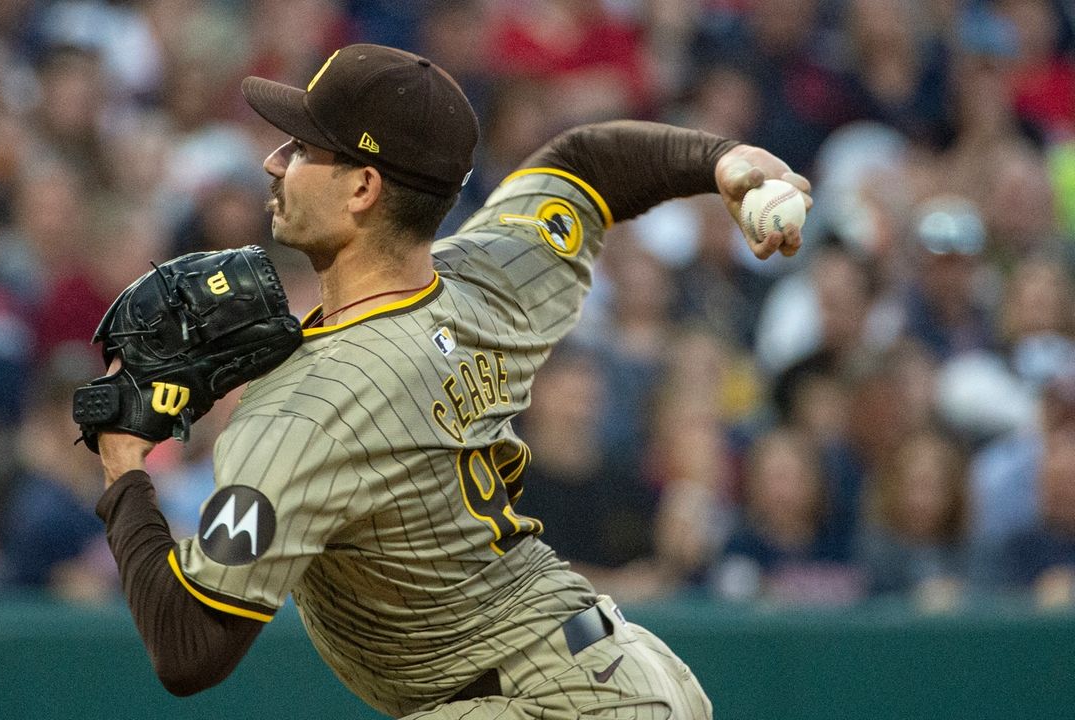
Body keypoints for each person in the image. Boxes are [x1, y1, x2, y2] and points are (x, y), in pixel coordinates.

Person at [91, 43, 807, 718]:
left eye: (304, 148)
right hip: (625, 676)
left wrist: (124, 462)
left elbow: (188, 650)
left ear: (364, 187)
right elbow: (585, 165)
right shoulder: (491, 276)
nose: (276, 161)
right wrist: (722, 159)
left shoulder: (307, 410)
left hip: (536, 701)